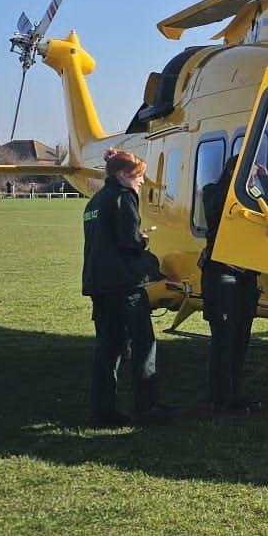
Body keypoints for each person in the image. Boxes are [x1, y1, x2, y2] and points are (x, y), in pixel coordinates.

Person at [82, 148, 170, 426]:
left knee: (108, 348)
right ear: (122, 174)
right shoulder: (123, 198)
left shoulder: (94, 202)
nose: (142, 182)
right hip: (123, 284)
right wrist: (142, 240)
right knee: (144, 344)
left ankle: (102, 410)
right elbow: (128, 241)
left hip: (99, 284)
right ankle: (147, 405)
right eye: (138, 176)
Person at [198, 161, 262, 413]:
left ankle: (235, 394)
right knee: (224, 340)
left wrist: (261, 181)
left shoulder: (253, 195)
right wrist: (241, 176)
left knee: (240, 339)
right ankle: (220, 398)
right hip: (221, 272)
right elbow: (217, 209)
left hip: (245, 275)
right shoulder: (213, 191)